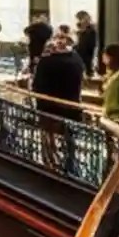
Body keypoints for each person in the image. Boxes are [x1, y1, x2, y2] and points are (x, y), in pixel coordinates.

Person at [31, 32, 85, 170]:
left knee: (49, 136)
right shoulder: (76, 59)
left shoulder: (46, 62)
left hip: (48, 107)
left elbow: (37, 85)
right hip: (72, 105)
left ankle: (50, 163)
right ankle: (70, 162)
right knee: (69, 136)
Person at [74, 11, 98, 77]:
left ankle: (88, 73)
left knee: (87, 60)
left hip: (88, 45)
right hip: (83, 45)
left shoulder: (91, 27)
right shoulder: (84, 26)